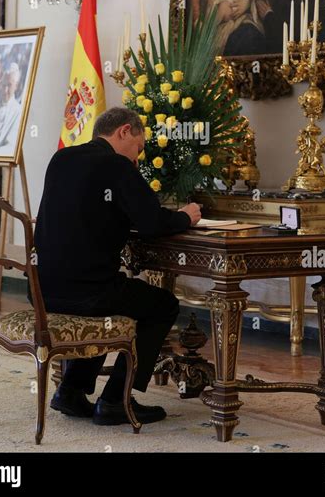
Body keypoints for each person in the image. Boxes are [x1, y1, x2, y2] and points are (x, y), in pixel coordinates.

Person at [32, 107, 201, 426]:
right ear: (124, 131)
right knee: (163, 305)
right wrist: (186, 215)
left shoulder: (62, 158)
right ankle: (115, 400)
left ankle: (70, 391)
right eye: (138, 148)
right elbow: (152, 222)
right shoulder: (115, 165)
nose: (137, 158)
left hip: (43, 292)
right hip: (87, 295)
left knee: (111, 300)